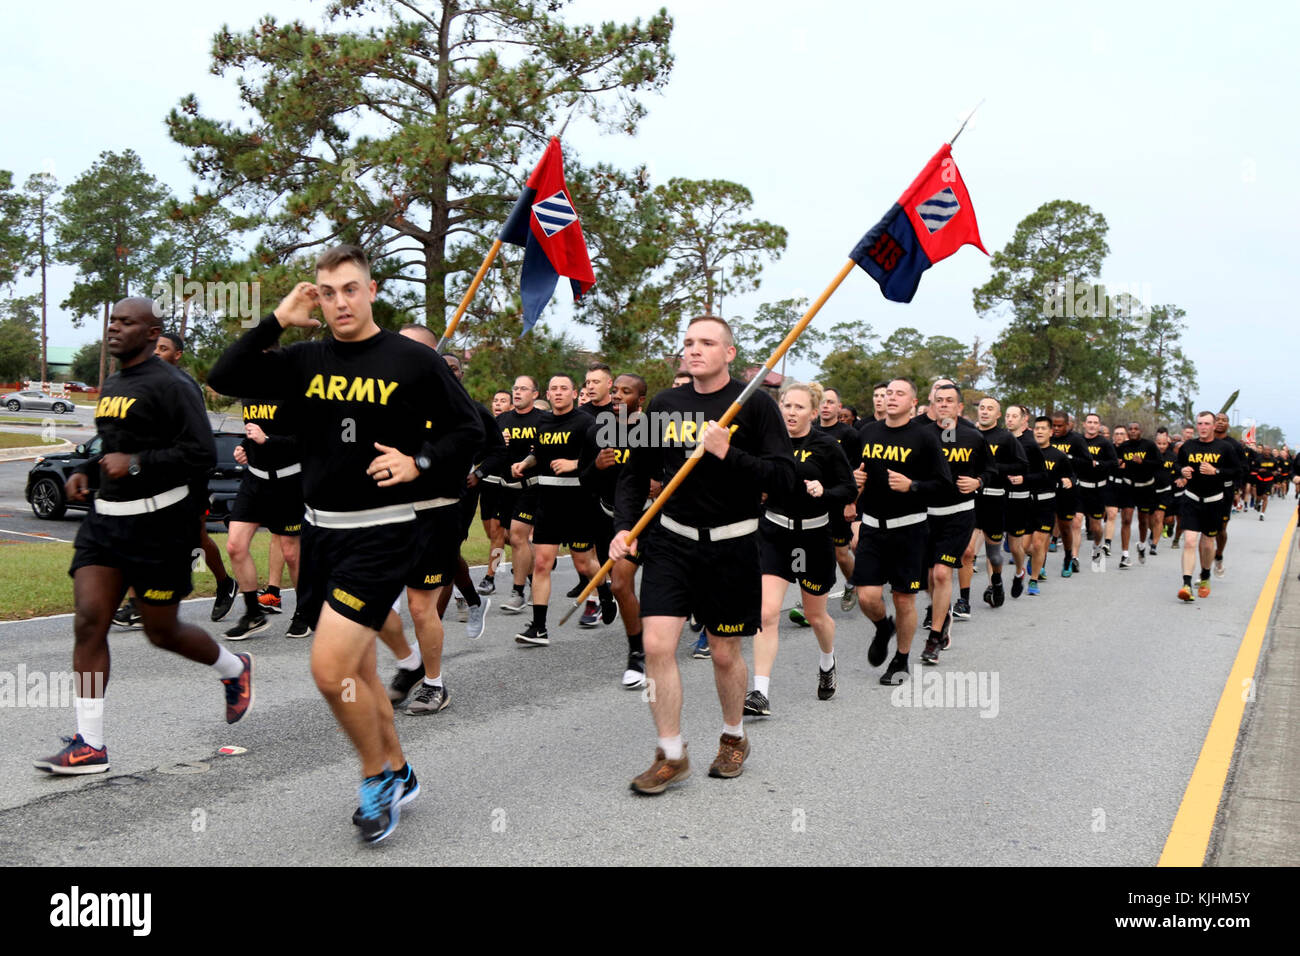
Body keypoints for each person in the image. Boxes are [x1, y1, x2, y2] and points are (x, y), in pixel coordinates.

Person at [208, 244, 482, 843]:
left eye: (350, 289)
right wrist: (277, 318)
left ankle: (375, 777)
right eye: (326, 293)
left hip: (382, 535)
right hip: (320, 533)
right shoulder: (304, 357)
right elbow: (223, 377)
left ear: (372, 289)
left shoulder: (413, 360)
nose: (339, 303)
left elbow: (470, 430)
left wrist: (420, 460)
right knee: (356, 674)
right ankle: (401, 771)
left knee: (330, 672)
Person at [35, 299, 253, 776]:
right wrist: (89, 470)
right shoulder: (113, 383)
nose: (114, 327)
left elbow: (198, 454)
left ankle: (234, 668)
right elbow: (115, 447)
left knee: (162, 631)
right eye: (111, 320)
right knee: (90, 620)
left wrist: (136, 464)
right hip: (105, 522)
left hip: (159, 527)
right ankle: (89, 744)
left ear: (152, 333)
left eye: (125, 322)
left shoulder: (174, 385)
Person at [611, 316, 795, 794]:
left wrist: (726, 451)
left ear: (729, 353)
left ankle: (734, 736)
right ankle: (670, 753)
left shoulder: (754, 407)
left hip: (733, 545)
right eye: (689, 342)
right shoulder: (665, 404)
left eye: (707, 343)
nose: (694, 350)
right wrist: (624, 528)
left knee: (723, 652)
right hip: (671, 540)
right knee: (656, 646)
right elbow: (634, 474)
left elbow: (783, 481)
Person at [112, 331, 238, 629]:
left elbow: (198, 442)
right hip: (149, 473)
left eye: (164, 348)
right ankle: (136, 604)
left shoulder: (183, 386)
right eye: (153, 347)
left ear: (177, 355)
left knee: (197, 538)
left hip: (186, 476)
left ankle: (225, 583)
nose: (156, 353)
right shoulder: (142, 383)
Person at [747, 382, 855, 714]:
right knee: (766, 613)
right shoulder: (767, 443)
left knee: (815, 615)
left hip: (813, 537)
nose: (791, 412)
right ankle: (759, 693)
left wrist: (825, 490)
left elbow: (848, 489)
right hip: (775, 533)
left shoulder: (826, 445)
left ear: (812, 411)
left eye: (798, 407)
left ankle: (827, 662)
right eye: (786, 405)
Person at [851, 379, 953, 685]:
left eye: (899, 394)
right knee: (867, 597)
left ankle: (901, 659)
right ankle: (884, 627)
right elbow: (853, 473)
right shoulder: (867, 432)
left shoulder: (924, 438)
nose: (891, 398)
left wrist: (913, 486)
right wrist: (853, 483)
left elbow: (944, 485)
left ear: (913, 402)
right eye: (888, 393)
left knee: (904, 599)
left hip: (909, 530)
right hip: (871, 527)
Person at [512, 374, 603, 647]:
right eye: (554, 389)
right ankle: (539, 628)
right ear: (548, 395)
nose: (559, 392)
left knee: (583, 563)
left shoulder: (586, 422)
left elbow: (599, 457)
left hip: (578, 500)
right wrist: (525, 463)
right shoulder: (542, 421)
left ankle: (604, 594)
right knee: (541, 563)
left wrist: (574, 463)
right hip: (548, 501)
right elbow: (539, 453)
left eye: (564, 388)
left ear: (575, 393)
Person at [583, 373, 656, 687]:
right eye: (614, 390)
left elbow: (678, 472)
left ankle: (646, 650)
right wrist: (596, 467)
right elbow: (585, 480)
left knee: (655, 592)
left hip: (651, 520)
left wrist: (662, 483)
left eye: (625, 392)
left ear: (640, 400)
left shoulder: (656, 431)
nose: (616, 396)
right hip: (613, 520)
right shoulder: (596, 431)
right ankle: (637, 652)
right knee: (619, 586)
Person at [224, 387, 309, 639]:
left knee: (292, 554)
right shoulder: (249, 395)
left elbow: (306, 442)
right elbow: (254, 434)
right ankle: (253, 614)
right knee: (234, 546)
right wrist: (244, 448)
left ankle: (304, 612)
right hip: (254, 481)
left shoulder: (294, 394)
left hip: (288, 482)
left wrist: (268, 441)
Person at [920, 384, 993, 661]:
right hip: (926, 514)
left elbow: (991, 470)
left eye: (950, 401)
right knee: (929, 577)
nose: (944, 405)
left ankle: (935, 637)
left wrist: (979, 481)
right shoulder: (921, 436)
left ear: (959, 407)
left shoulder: (973, 437)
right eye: (939, 400)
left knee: (941, 573)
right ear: (933, 405)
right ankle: (943, 612)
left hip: (960, 513)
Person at [1174, 412, 1238, 602]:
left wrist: (1215, 471)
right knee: (1190, 541)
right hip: (1192, 499)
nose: (1203, 427)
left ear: (1213, 426)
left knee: (1208, 543)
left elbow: (1236, 471)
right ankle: (1186, 584)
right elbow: (1178, 464)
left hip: (1214, 501)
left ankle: (1206, 574)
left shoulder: (1225, 448)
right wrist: (1182, 470)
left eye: (1206, 423)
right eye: (1200, 423)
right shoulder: (1188, 446)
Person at [493, 376, 544, 610]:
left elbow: (546, 452)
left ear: (535, 394)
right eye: (516, 388)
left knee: (517, 535)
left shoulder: (543, 420)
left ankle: (517, 593)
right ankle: (535, 580)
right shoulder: (502, 419)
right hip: (505, 488)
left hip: (531, 487)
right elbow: (489, 451)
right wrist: (497, 443)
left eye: (524, 388)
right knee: (509, 538)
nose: (518, 392)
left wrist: (528, 461)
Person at [970, 397, 1026, 608]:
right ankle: (963, 600)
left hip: (995, 497)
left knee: (994, 554)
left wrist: (991, 468)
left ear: (998, 415)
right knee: (968, 552)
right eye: (982, 407)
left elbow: (1021, 465)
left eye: (990, 409)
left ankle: (997, 582)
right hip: (970, 498)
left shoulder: (1006, 438)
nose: (984, 412)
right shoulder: (967, 433)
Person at [812, 386, 862, 614]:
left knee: (841, 553)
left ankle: (852, 583)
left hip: (839, 500)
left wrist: (851, 502)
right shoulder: (809, 430)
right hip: (812, 501)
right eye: (822, 402)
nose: (825, 406)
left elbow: (858, 472)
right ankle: (810, 599)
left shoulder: (849, 435)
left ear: (838, 407)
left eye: (830, 402)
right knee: (815, 551)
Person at [1004, 405, 1045, 598]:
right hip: (999, 498)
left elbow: (1042, 475)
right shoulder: (1000, 439)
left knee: (1026, 547)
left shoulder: (1030, 443)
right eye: (1007, 416)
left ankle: (1028, 574)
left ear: (1023, 420)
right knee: (993, 547)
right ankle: (993, 586)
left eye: (1014, 416)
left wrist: (1024, 479)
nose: (1010, 419)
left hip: (1025, 501)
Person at [1032, 416, 1076, 595]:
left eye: (1044, 429)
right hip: (1033, 500)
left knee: (1064, 529)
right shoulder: (1027, 452)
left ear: (1050, 433)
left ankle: (1067, 557)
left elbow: (1072, 476)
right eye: (1037, 428)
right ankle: (1039, 565)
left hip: (1059, 497)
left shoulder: (1059, 455)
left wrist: (1069, 481)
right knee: (1037, 539)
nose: (1039, 431)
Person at [1074, 413, 1118, 573]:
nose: (1092, 425)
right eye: (1089, 422)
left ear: (1099, 425)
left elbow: (1114, 464)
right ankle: (1074, 558)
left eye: (1095, 422)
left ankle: (1097, 546)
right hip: (1080, 487)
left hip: (1098, 489)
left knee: (1096, 527)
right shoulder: (1078, 441)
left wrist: (1097, 464)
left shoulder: (1105, 443)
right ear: (1084, 424)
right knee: (1077, 522)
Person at [1114, 421, 1160, 568]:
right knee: (1126, 519)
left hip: (1145, 487)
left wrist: (1143, 462)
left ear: (1141, 430)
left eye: (1136, 429)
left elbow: (1159, 464)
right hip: (1128, 486)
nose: (1133, 431)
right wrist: (1118, 463)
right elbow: (1116, 462)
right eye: (1131, 429)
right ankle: (1125, 555)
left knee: (1143, 520)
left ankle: (1141, 544)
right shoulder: (1123, 447)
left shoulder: (1149, 446)